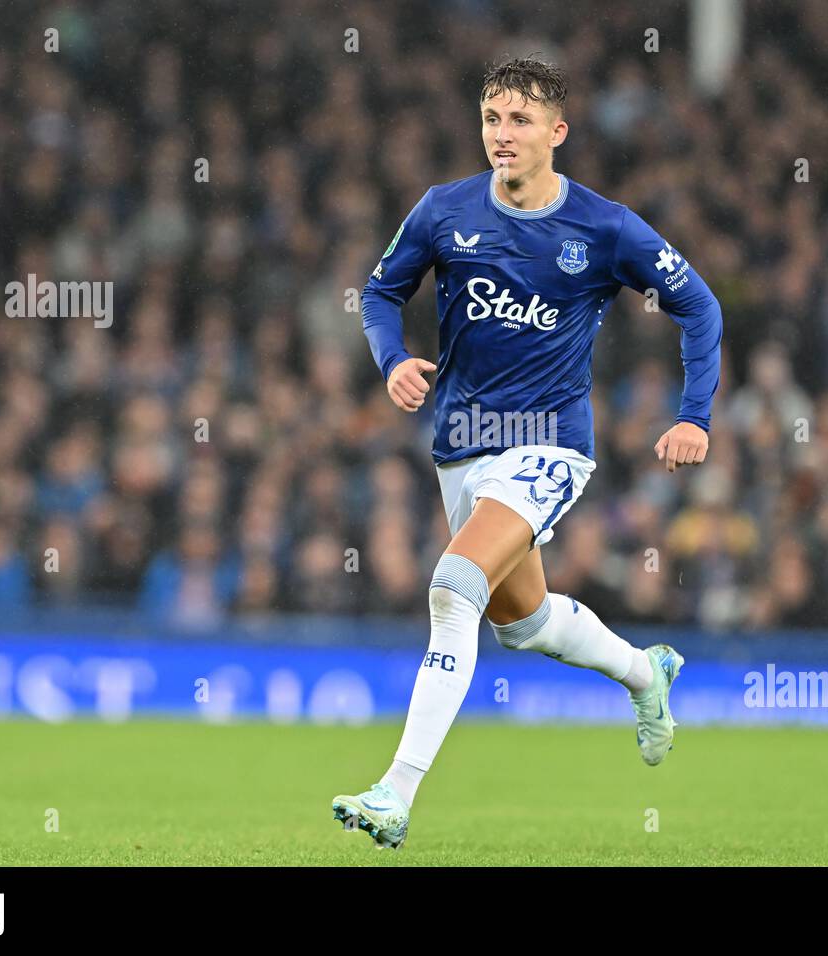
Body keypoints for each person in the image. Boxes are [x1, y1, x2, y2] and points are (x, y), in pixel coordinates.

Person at [332, 57, 722, 849]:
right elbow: (377, 294)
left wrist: (695, 416)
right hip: (459, 447)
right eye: (490, 119)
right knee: (525, 625)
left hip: (549, 444)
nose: (500, 136)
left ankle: (395, 793)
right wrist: (392, 359)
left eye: (518, 121)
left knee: (452, 587)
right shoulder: (444, 210)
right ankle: (648, 674)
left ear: (557, 132)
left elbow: (699, 306)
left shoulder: (605, 227)